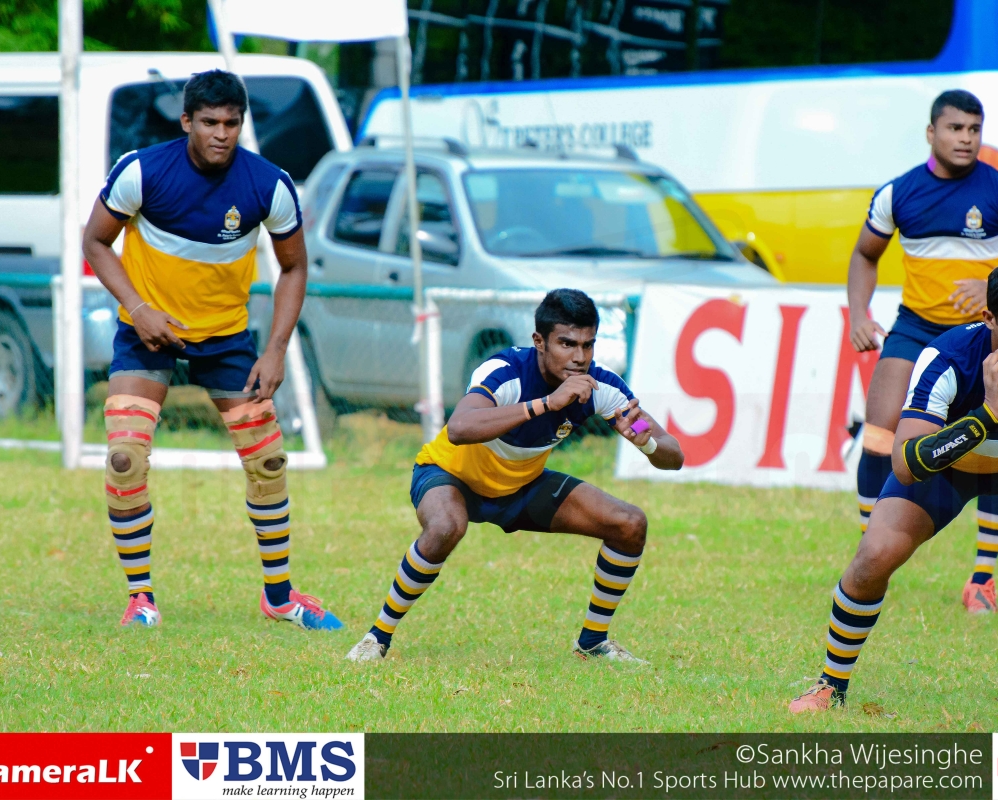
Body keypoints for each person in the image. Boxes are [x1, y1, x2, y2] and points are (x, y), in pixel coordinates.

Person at [790, 259, 998, 721]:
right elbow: (907, 463)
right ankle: (830, 685)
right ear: (988, 319)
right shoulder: (947, 358)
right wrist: (986, 416)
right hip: (949, 467)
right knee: (873, 555)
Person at [82, 69, 341, 630]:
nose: (221, 133)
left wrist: (274, 351)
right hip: (146, 332)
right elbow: (95, 242)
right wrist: (139, 306)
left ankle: (279, 597)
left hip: (226, 339)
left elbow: (294, 267)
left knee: (268, 460)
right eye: (209, 122)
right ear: (186, 122)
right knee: (125, 457)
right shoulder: (142, 170)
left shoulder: (267, 184)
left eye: (232, 122)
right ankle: (140, 598)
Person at [345, 289, 684, 662]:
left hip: (519, 486)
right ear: (539, 341)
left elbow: (675, 457)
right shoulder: (504, 371)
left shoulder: (600, 387)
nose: (579, 357)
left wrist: (647, 442)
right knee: (445, 527)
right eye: (566, 344)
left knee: (630, 523)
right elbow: (459, 427)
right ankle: (376, 637)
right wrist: (546, 405)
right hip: (449, 474)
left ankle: (593, 641)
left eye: (588, 345)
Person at [848, 89, 998, 614]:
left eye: (974, 129)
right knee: (880, 437)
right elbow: (864, 253)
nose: (966, 139)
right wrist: (858, 313)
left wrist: (991, 282)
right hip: (916, 328)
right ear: (932, 133)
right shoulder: (897, 193)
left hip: (983, 336)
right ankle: (870, 553)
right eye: (955, 129)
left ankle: (981, 580)